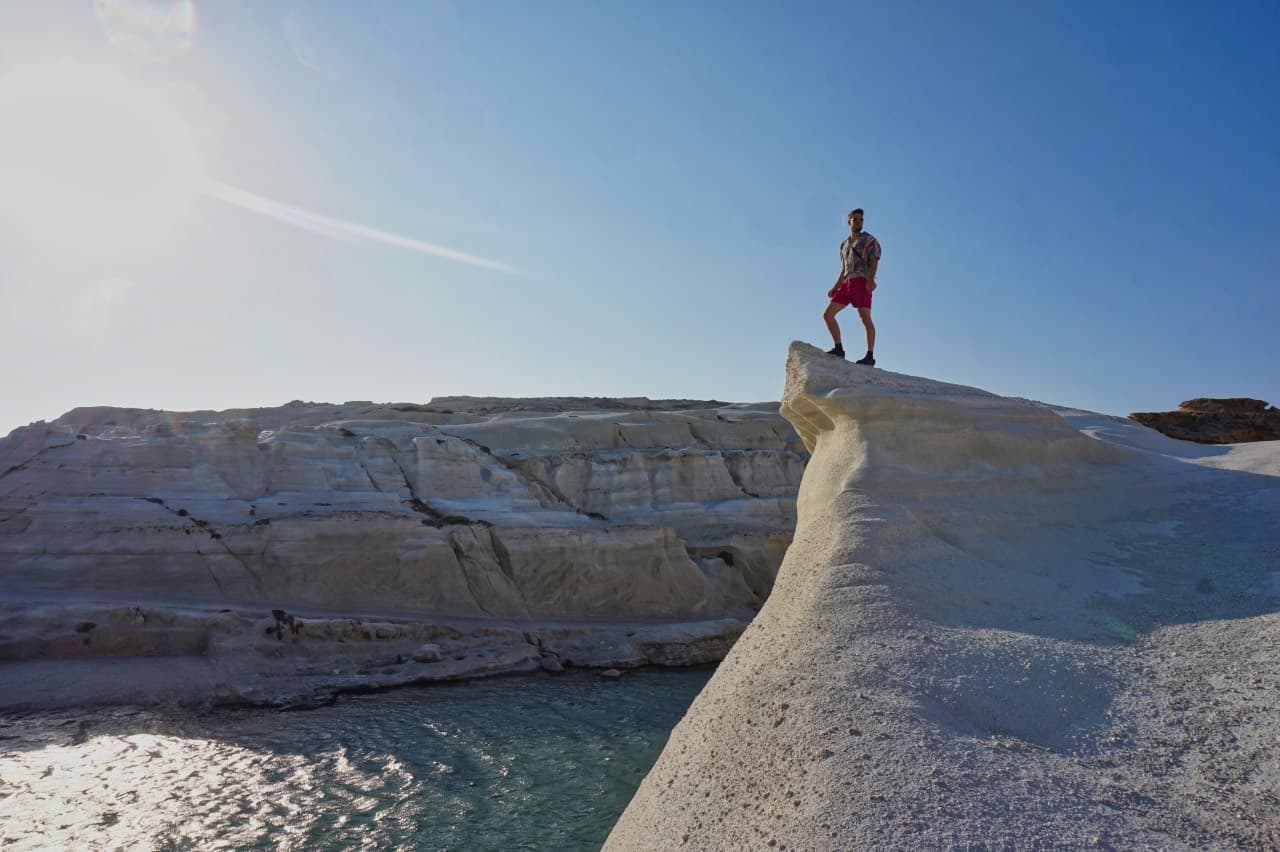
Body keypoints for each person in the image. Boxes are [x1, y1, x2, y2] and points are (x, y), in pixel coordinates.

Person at [823, 208, 881, 365]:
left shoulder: (869, 240)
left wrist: (870, 280)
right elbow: (844, 268)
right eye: (855, 219)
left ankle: (869, 355)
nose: (859, 222)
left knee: (865, 318)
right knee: (828, 315)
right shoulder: (844, 245)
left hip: (862, 281)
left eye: (861, 219)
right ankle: (838, 349)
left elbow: (874, 261)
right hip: (847, 283)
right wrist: (836, 287)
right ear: (849, 222)